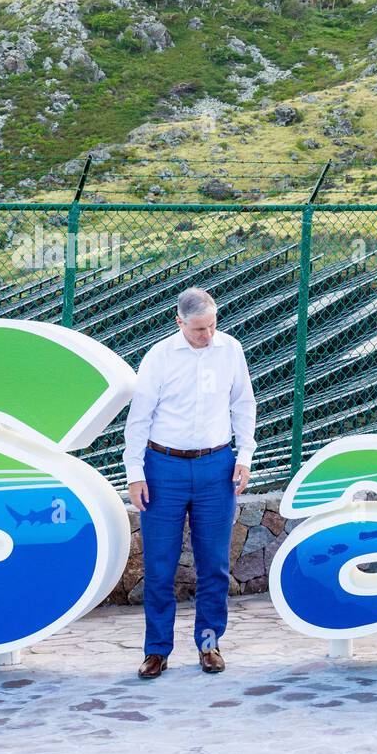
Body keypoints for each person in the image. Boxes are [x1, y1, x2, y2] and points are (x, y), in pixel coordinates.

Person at [124, 287, 256, 680]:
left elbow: (243, 404)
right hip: (163, 466)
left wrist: (245, 457)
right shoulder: (159, 358)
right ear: (179, 322)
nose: (207, 335)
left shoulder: (230, 350)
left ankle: (209, 644)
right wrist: (135, 474)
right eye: (199, 329)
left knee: (213, 563)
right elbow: (139, 418)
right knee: (160, 565)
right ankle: (156, 650)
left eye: (212, 326)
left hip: (216, 464)